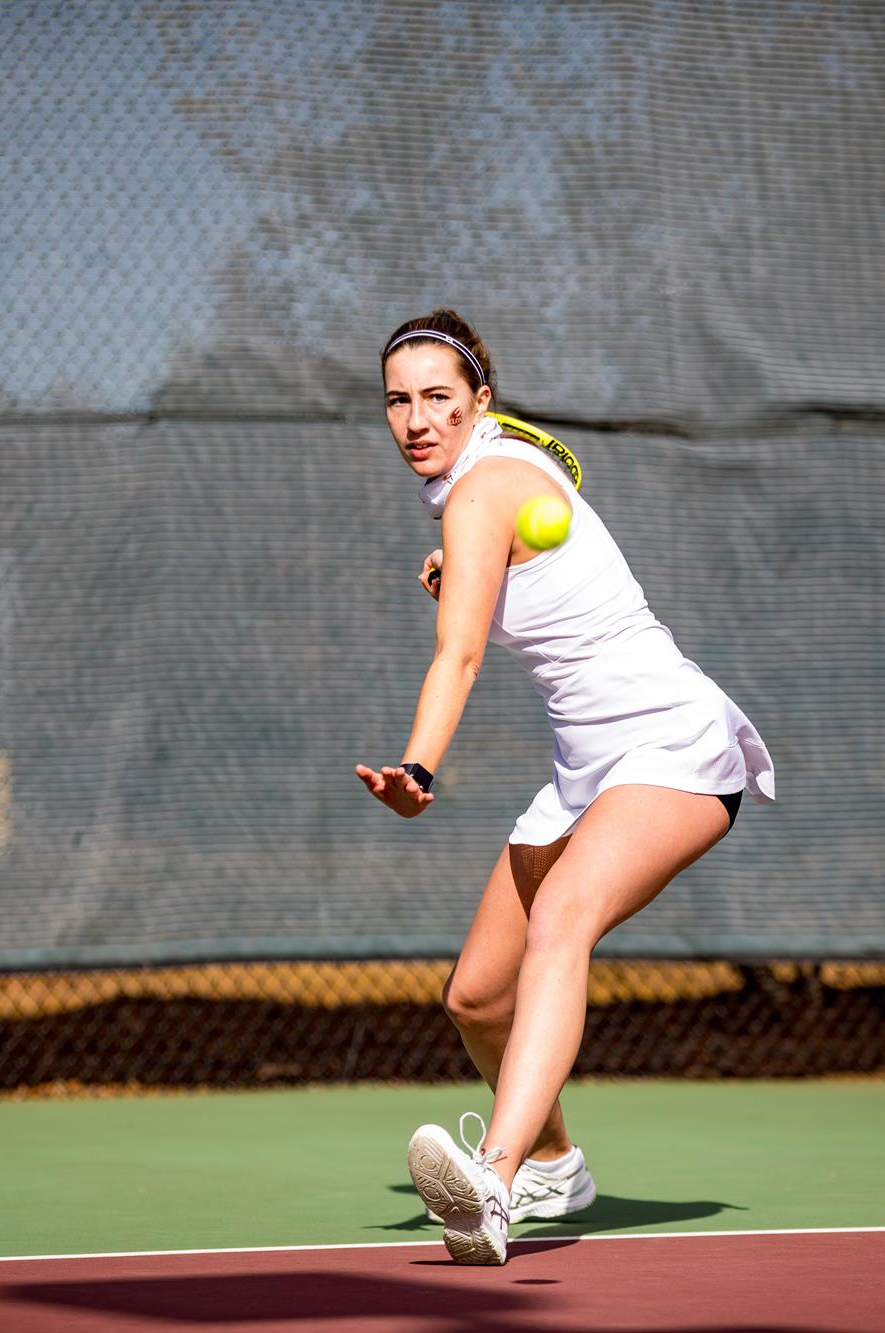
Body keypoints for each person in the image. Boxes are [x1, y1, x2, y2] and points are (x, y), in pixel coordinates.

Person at [354, 309, 776, 1266]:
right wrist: (464, 568)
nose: (417, 419)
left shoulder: (483, 490)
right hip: (585, 771)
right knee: (476, 997)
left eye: (438, 399)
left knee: (562, 922)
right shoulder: (487, 489)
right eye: (398, 400)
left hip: (671, 746)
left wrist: (419, 767)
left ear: (480, 403)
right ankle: (556, 1163)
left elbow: (459, 656)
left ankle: (494, 1182)